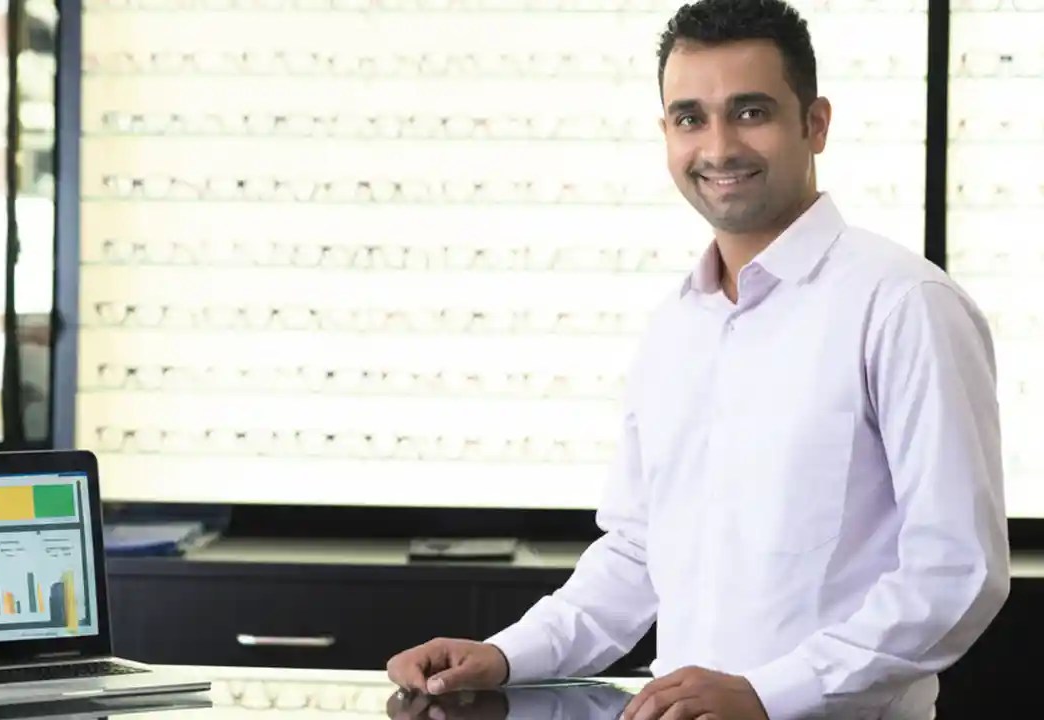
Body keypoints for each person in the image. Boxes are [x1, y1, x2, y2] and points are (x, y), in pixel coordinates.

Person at [385, 0, 1011, 717]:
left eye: (751, 112)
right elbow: (638, 554)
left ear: (816, 124)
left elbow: (956, 570)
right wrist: (503, 656)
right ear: (666, 133)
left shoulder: (905, 304)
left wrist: (767, 694)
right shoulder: (675, 326)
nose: (718, 148)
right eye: (690, 118)